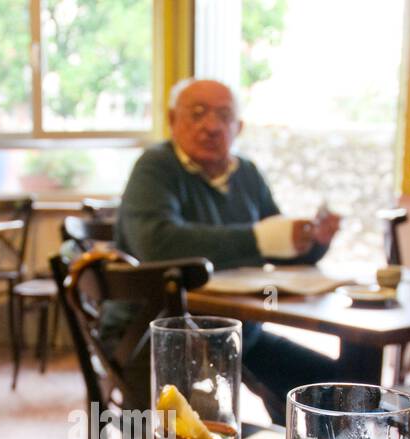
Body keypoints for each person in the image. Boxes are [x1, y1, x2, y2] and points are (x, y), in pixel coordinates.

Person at [113, 78, 354, 419]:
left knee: (336, 389)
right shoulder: (155, 167)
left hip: (237, 334)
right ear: (172, 120)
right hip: (156, 334)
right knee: (204, 433)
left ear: (238, 127)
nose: (211, 126)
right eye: (197, 114)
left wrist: (313, 241)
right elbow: (157, 244)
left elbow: (278, 244)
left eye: (224, 116)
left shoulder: (247, 173)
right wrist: (259, 238)